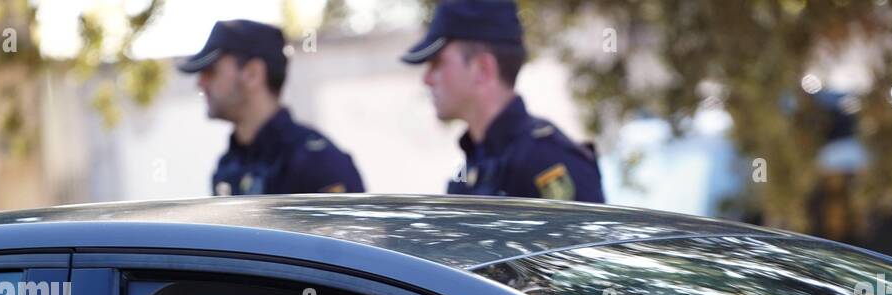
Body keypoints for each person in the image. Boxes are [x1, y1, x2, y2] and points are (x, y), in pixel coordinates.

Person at [401, 0, 604, 202]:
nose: (426, 79)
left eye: (437, 63)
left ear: (482, 69)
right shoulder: (471, 170)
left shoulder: (548, 162)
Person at [179, 19, 364, 196]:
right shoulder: (228, 164)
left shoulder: (317, 162)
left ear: (253, 74)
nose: (201, 84)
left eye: (210, 71)